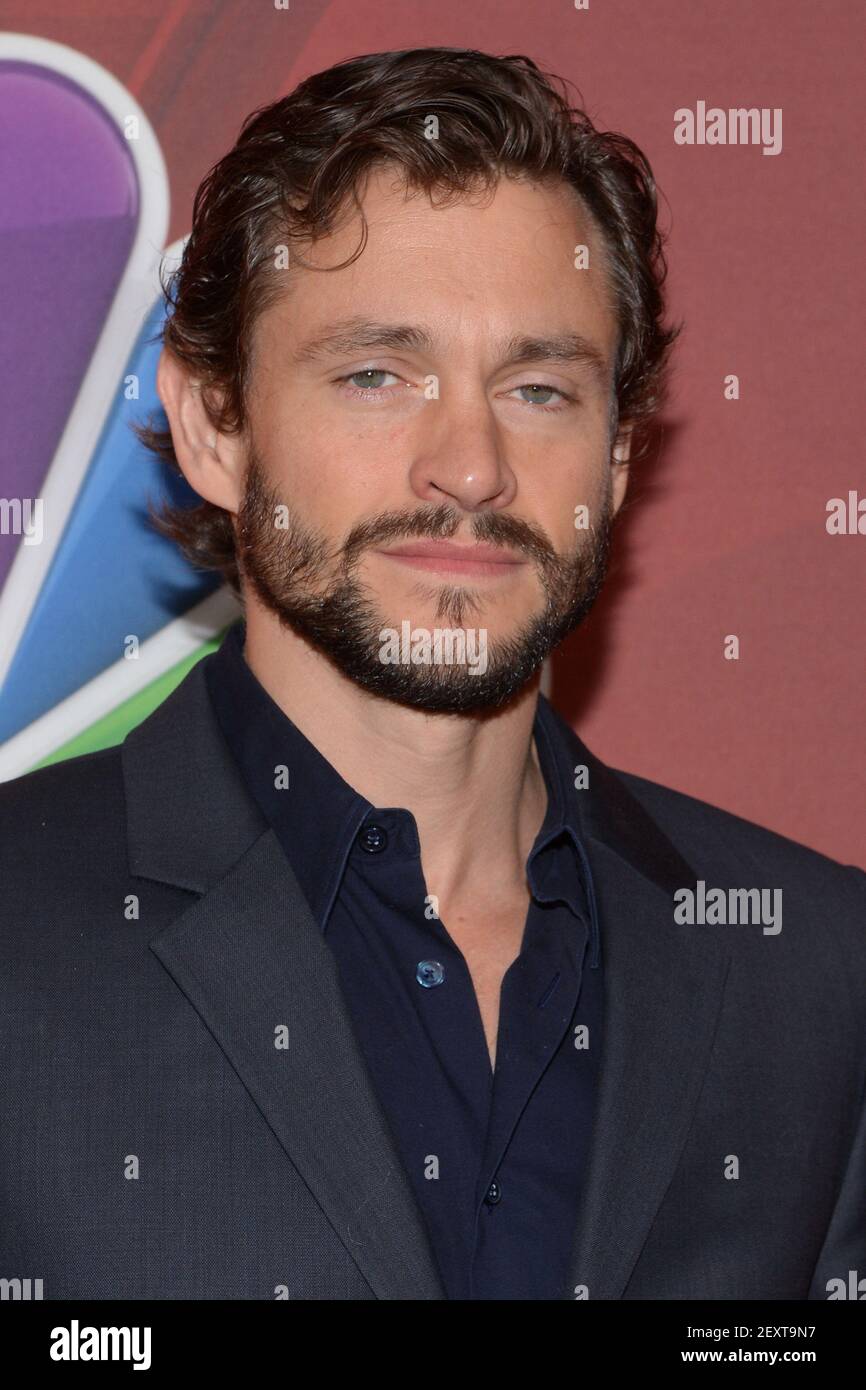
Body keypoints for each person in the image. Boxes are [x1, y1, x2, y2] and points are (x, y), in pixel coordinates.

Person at [1, 47, 863, 1301]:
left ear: (615, 462)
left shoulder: (810, 969)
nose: (468, 465)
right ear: (212, 426)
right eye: (375, 375)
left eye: (537, 386)